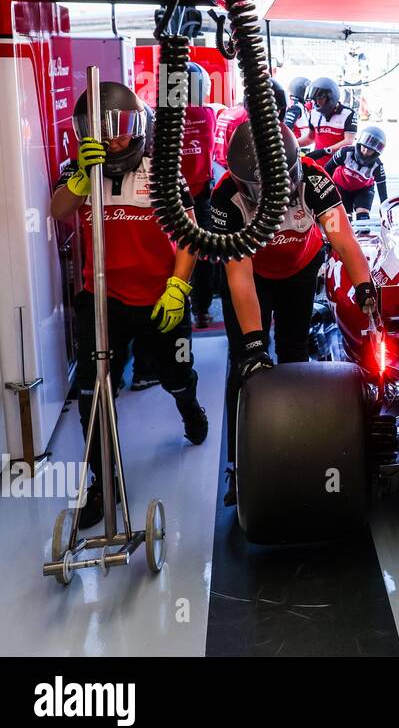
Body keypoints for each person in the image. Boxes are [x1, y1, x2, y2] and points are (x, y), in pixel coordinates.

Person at [50, 81, 207, 529]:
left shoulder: (163, 174)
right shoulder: (79, 171)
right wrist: (82, 177)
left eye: (119, 128)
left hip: (159, 300)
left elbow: (190, 238)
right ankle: (105, 481)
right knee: (94, 395)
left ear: (138, 127)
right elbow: (58, 209)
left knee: (176, 375)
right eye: (102, 129)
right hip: (102, 302)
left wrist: (178, 288)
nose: (112, 139)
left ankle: (189, 406)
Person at [213, 121, 377, 507]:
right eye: (254, 190)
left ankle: (293, 443)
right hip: (252, 275)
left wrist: (364, 285)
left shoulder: (315, 181)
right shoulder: (225, 198)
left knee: (294, 354)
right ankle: (237, 464)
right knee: (244, 365)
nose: (262, 197)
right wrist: (254, 344)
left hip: (299, 270)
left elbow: (343, 240)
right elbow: (239, 277)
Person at [180, 62, 219, 328]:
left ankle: (181, 307)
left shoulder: (162, 119)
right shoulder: (207, 114)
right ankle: (201, 311)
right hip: (200, 197)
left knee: (175, 252)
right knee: (204, 254)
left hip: (172, 197)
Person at [324, 124, 388, 217]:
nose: (365, 151)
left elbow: (383, 192)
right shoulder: (345, 152)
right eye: (364, 147)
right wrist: (326, 191)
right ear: (359, 144)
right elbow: (327, 170)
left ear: (376, 152)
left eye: (370, 150)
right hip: (341, 187)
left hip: (363, 190)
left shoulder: (377, 166)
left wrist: (386, 212)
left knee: (363, 217)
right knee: (345, 217)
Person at [301, 76, 356, 156]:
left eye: (319, 98)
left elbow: (348, 141)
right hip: (318, 161)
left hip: (337, 162)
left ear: (330, 97)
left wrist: (325, 151)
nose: (316, 102)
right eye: (315, 99)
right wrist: (292, 143)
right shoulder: (314, 113)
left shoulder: (348, 113)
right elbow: (310, 138)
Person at [283, 76, 311, 142]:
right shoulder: (296, 107)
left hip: (303, 143)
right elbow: (287, 126)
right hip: (300, 144)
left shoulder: (299, 105)